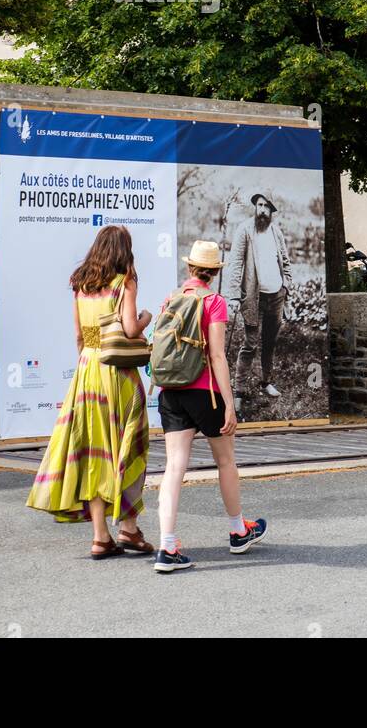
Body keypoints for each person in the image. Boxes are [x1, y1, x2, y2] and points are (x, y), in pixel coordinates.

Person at [26, 224, 154, 560]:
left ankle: (100, 537)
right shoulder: (124, 281)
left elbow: (79, 338)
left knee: (94, 452)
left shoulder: (80, 284)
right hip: (117, 374)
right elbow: (128, 328)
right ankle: (129, 529)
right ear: (123, 251)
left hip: (87, 371)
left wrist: (88, 362)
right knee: (128, 447)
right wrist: (145, 318)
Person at [154, 239, 267, 573]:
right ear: (215, 272)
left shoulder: (171, 299)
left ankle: (167, 546)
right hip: (206, 392)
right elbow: (217, 355)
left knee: (174, 467)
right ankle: (237, 530)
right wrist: (229, 402)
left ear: (190, 268)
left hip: (171, 390)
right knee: (225, 460)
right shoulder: (214, 302)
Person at [225, 191, 293, 411]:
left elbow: (285, 260)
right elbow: (235, 264)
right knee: (250, 344)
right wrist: (235, 295)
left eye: (266, 206)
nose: (262, 209)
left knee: (270, 342)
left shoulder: (275, 232)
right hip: (254, 298)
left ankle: (266, 382)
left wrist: (286, 285)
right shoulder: (245, 230)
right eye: (259, 205)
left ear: (272, 210)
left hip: (276, 296)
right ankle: (239, 391)